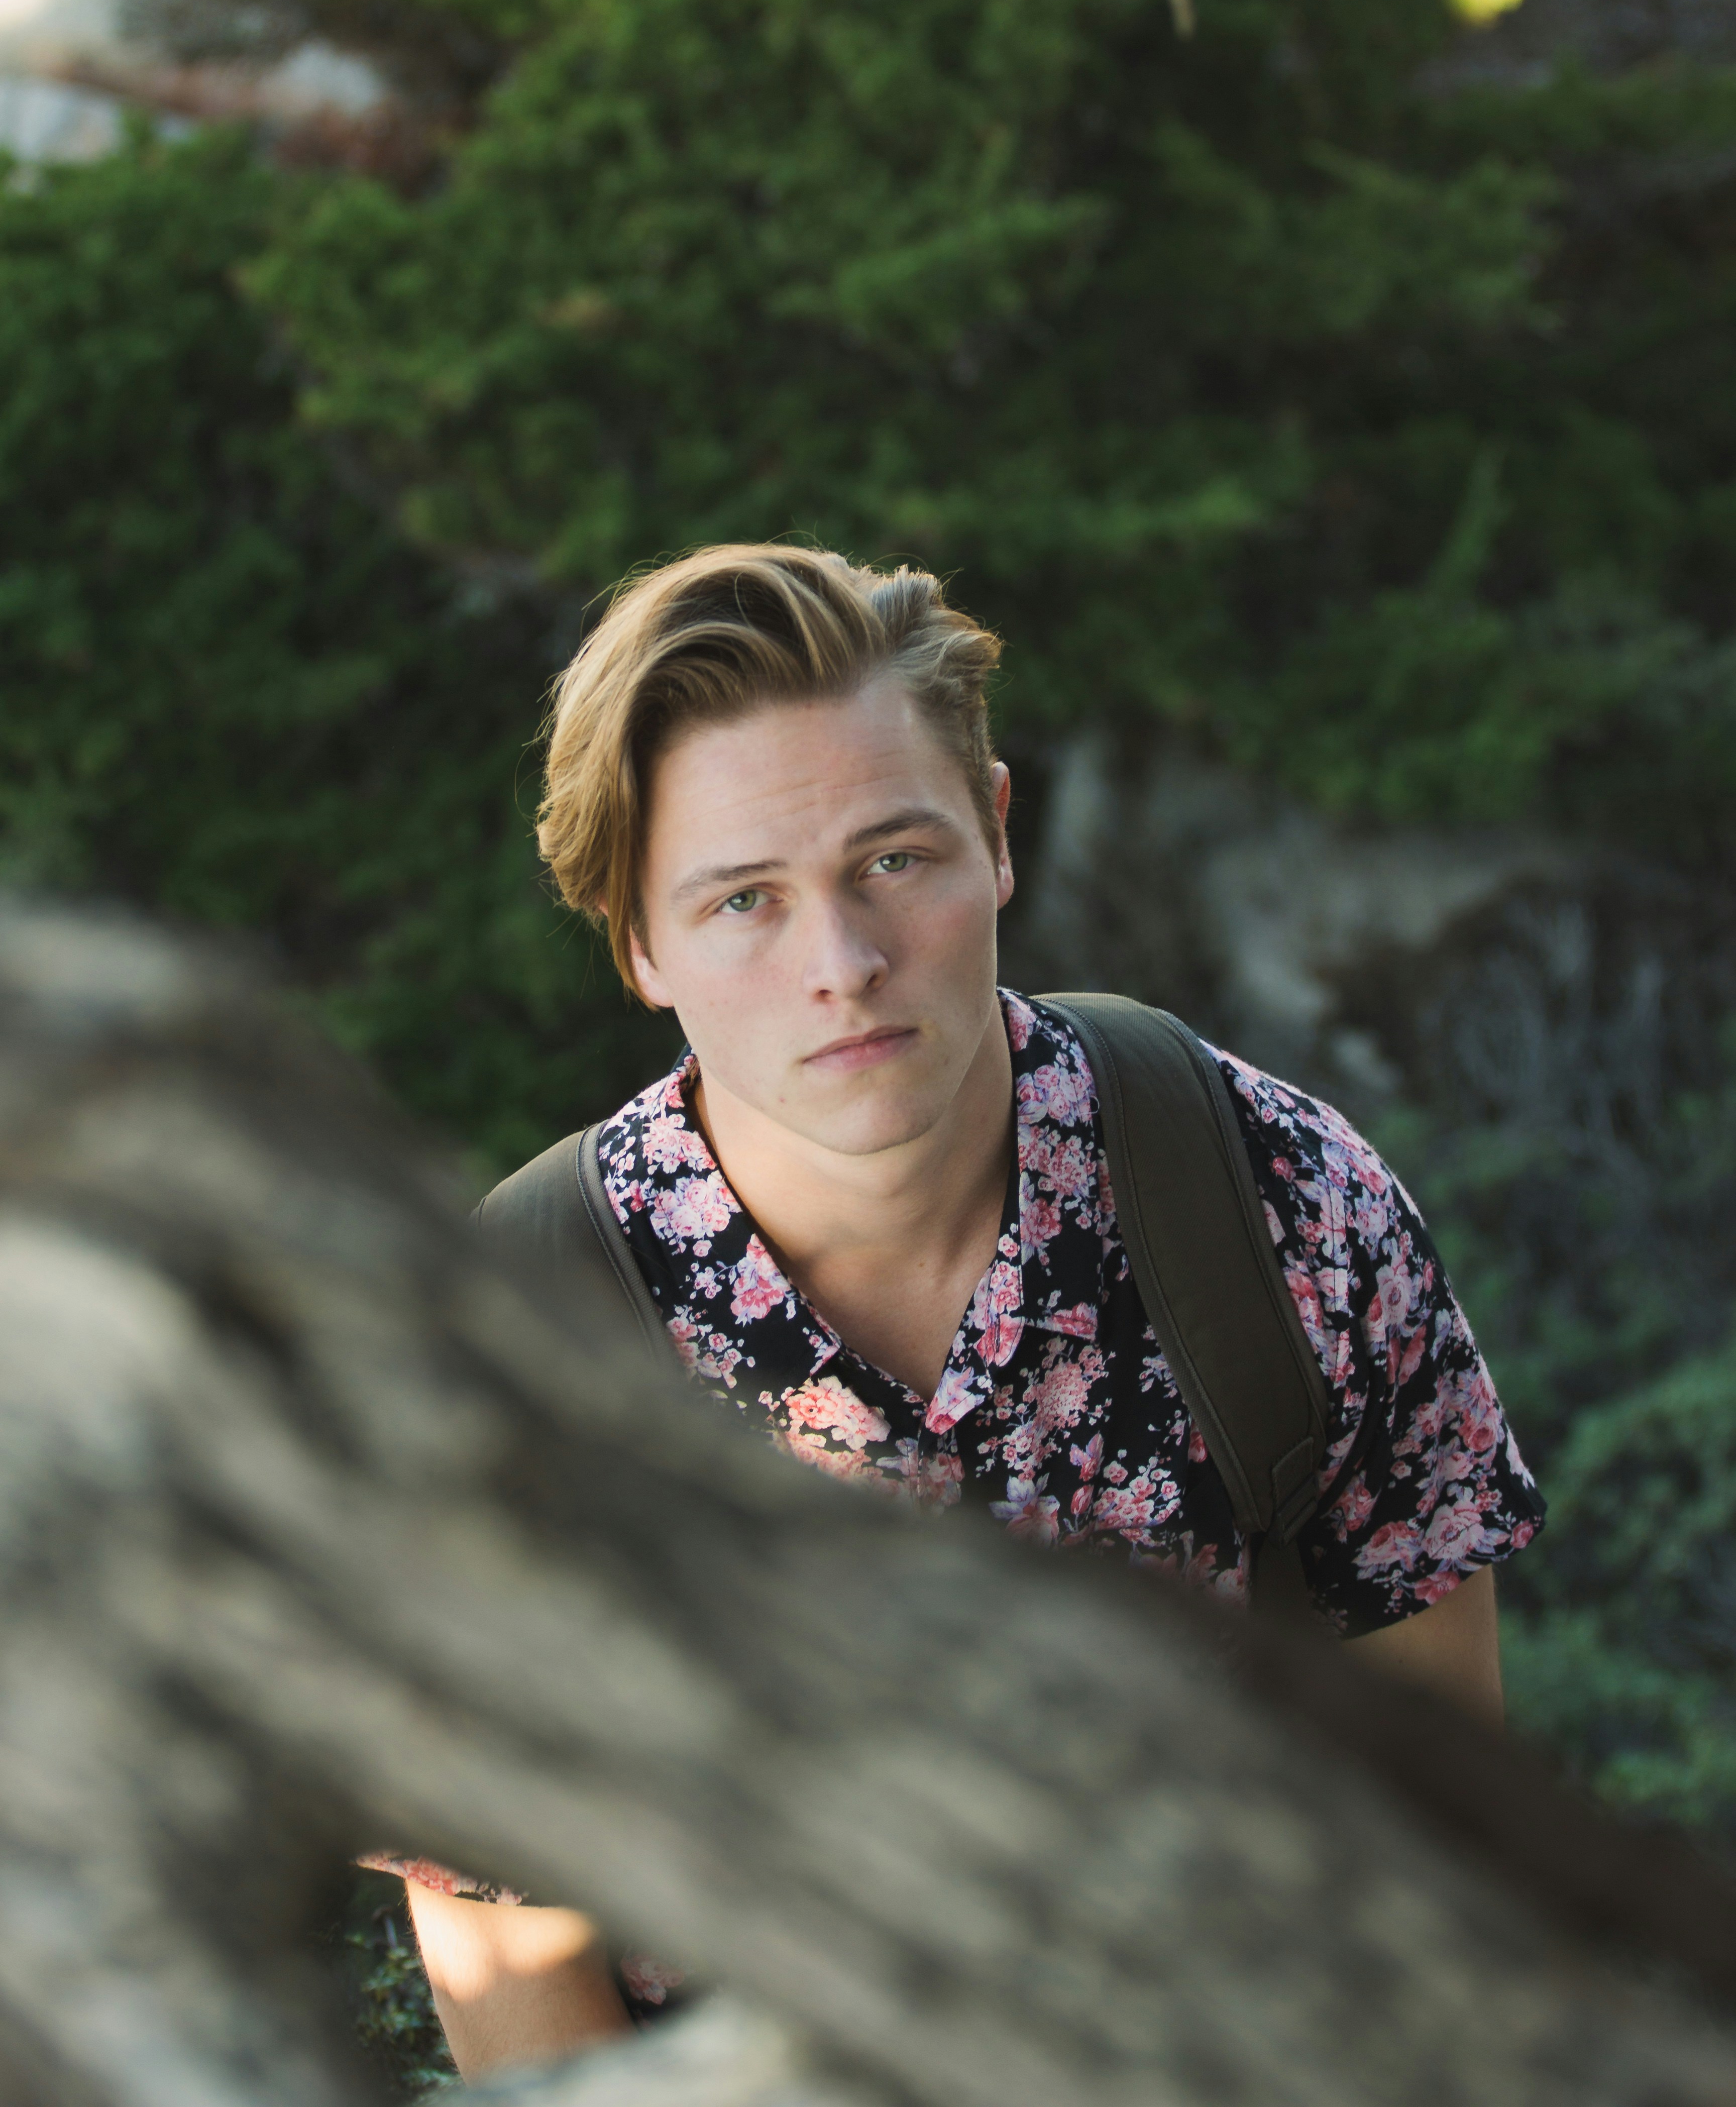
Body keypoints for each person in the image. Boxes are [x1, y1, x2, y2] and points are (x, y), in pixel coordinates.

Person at [373, 542, 1545, 2083]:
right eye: (744, 902)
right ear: (640, 943)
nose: (843, 968)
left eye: (892, 862)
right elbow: (515, 1962)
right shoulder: (505, 1360)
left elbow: (1441, 1817)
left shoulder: (1271, 1197)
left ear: (994, 835)